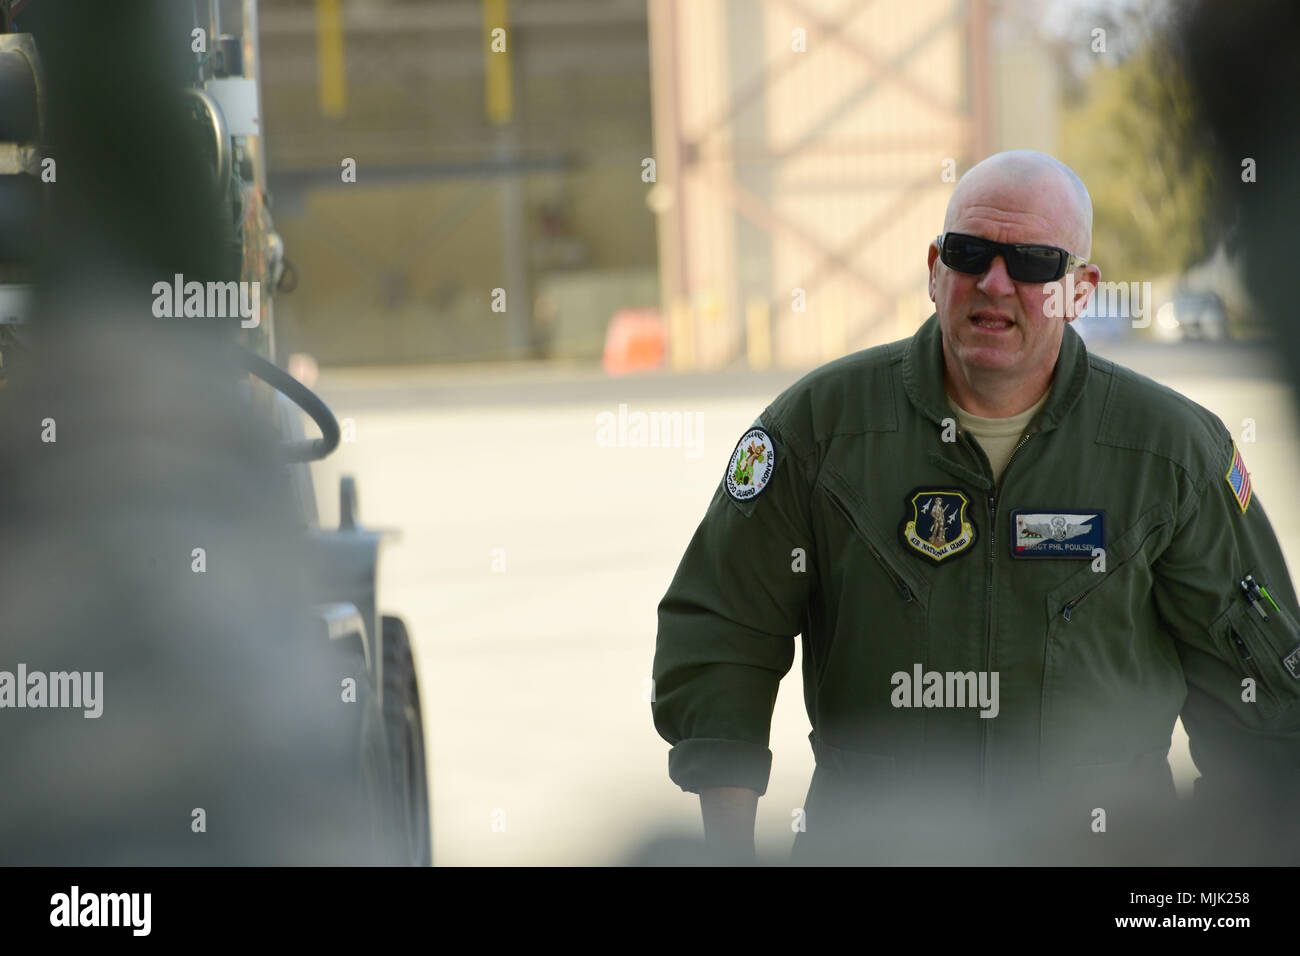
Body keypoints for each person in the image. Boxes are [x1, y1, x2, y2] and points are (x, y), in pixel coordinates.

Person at [651, 150, 1300, 865]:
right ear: (934, 268)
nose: (995, 283)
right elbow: (723, 634)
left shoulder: (1171, 453)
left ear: (1079, 290)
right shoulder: (819, 429)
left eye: (1031, 262)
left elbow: (1264, 702)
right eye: (971, 254)